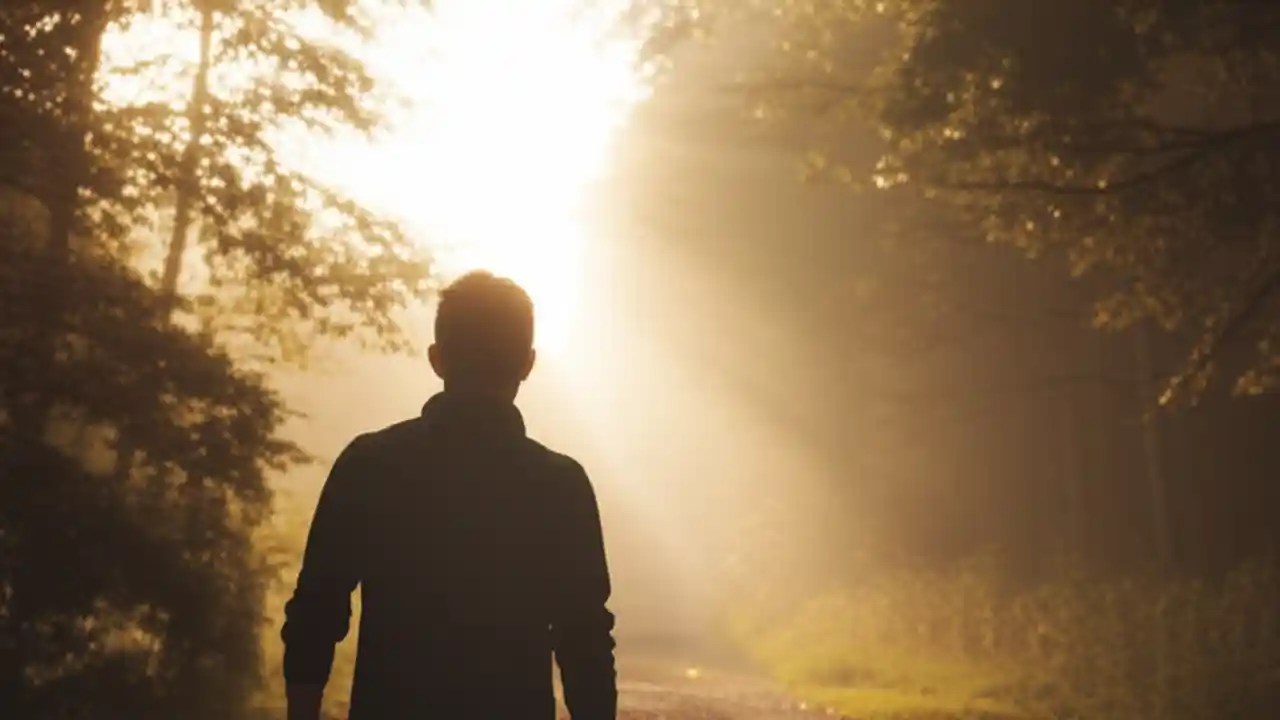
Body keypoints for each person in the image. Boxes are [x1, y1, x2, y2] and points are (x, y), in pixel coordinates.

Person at [282, 271, 616, 719]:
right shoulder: (559, 485)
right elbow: (585, 639)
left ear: (437, 359)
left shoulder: (371, 465)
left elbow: (316, 612)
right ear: (527, 363)